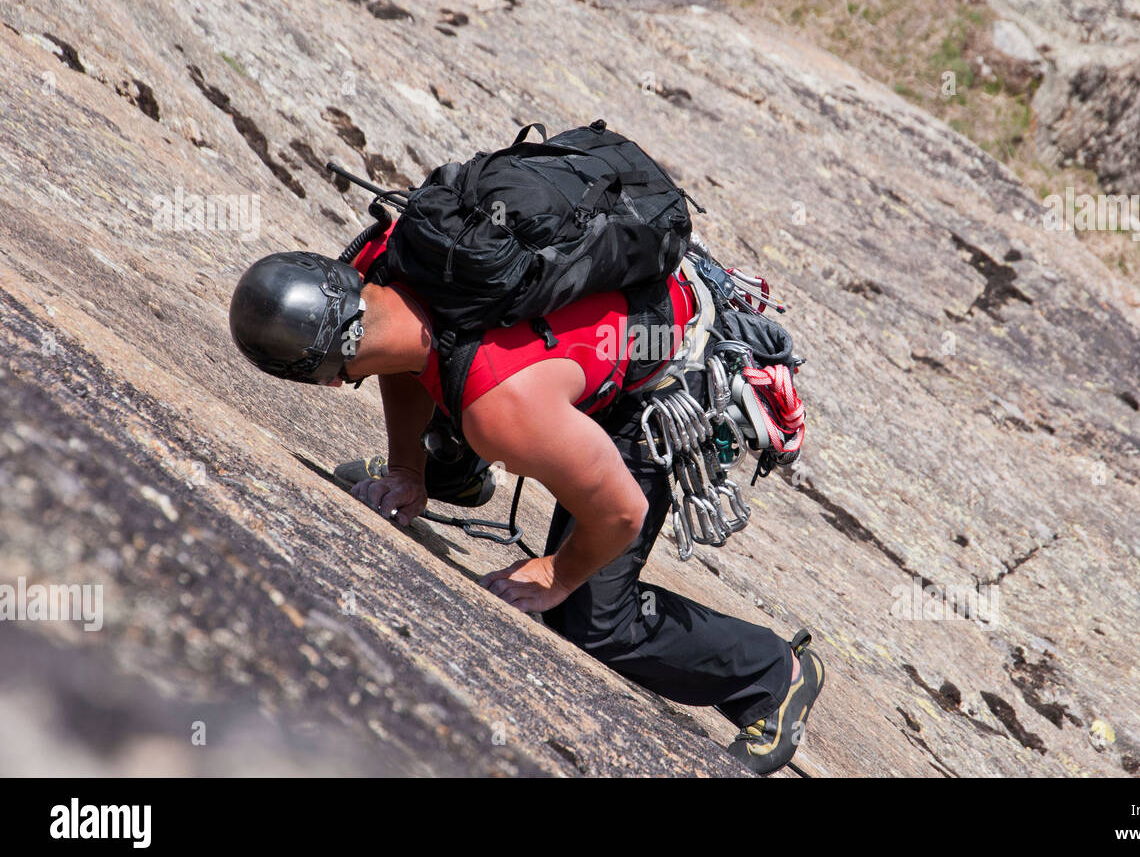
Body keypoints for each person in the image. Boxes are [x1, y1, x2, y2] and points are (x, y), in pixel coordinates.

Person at [228, 236, 824, 774]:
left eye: (336, 377)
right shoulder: (388, 257)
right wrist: (409, 469)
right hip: (602, 317)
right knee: (460, 398)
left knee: (591, 620)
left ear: (331, 377)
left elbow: (619, 514)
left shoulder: (500, 406)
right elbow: (399, 345)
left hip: (665, 365)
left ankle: (772, 674)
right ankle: (449, 472)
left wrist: (556, 573)